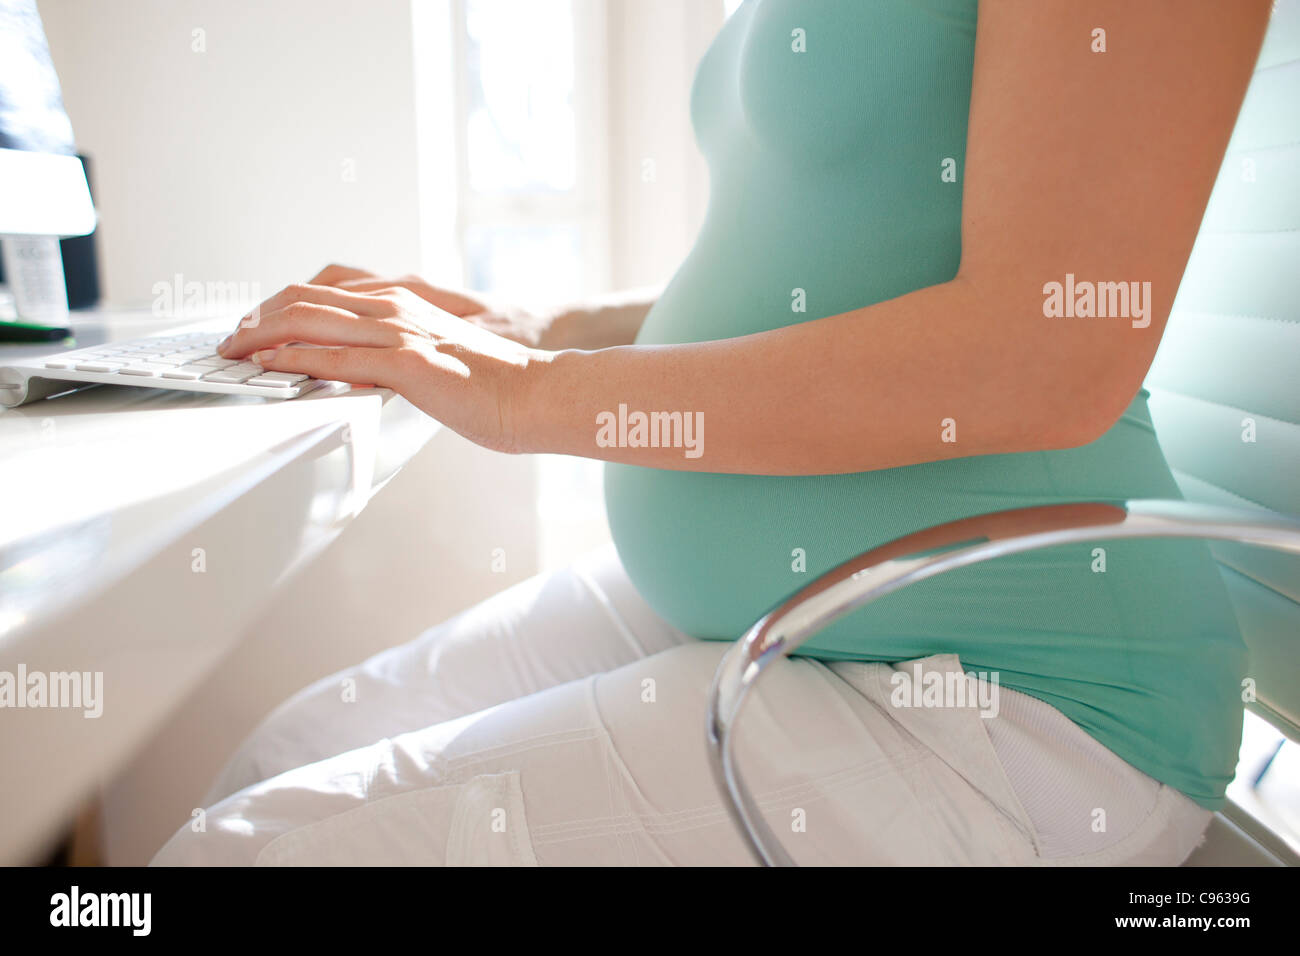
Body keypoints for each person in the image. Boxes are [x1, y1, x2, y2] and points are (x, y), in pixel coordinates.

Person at [153, 0, 1271, 866]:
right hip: (785, 610)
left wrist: (532, 390)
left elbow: (1045, 352)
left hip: (1014, 702)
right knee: (285, 753)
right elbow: (830, 264)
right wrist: (539, 328)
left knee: (240, 859)